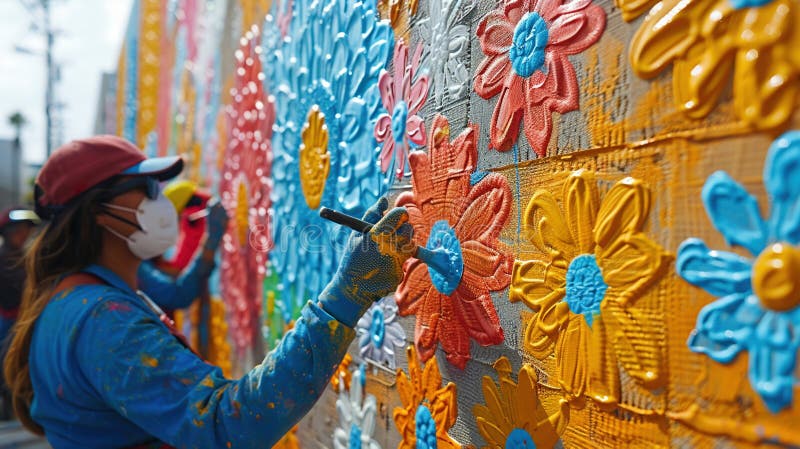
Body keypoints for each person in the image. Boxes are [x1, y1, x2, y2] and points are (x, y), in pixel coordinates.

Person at [3, 135, 414, 449]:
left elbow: (178, 295)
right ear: (97, 212)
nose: (161, 201)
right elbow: (227, 425)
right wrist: (345, 296)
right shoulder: (103, 320)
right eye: (147, 189)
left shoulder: (73, 299)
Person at [0, 207, 40, 420]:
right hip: (9, 320)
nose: (23, 234)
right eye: (17, 229)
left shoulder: (29, 257)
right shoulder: (3, 258)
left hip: (29, 318)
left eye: (26, 229)